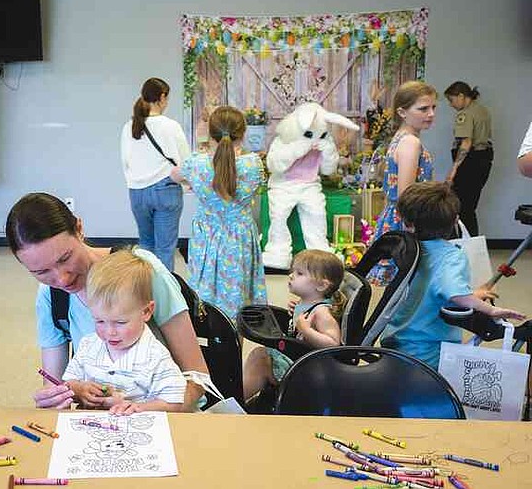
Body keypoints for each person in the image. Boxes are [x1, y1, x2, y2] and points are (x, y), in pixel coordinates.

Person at [5, 192, 209, 411]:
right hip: (102, 424)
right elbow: (56, 383)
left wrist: (142, 409)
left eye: (65, 258)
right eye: (41, 271)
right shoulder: (51, 296)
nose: (62, 279)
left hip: (163, 418)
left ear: (79, 229)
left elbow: (198, 379)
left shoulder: (140, 271)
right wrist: (61, 396)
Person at [380, 182, 525, 369]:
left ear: (407, 223)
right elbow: (456, 295)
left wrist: (471, 294)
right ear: (455, 220)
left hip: (396, 342)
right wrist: (490, 310)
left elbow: (428, 287)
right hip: (429, 351)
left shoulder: (406, 248)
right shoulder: (451, 256)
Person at [170, 106, 267, 321]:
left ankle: (209, 344)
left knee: (206, 297)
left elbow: (174, 174)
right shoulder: (253, 165)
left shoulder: (196, 165)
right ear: (242, 135)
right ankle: (237, 346)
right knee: (239, 297)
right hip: (240, 238)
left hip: (207, 239)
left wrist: (195, 182)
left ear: (209, 134)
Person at [62, 249, 187, 415]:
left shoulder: (155, 356)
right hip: (92, 426)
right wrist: (79, 389)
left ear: (146, 312)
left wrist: (139, 408)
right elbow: (68, 382)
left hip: (138, 430)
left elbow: (174, 402)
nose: (109, 332)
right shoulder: (88, 345)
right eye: (99, 321)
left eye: (120, 322)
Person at [242, 249, 345, 400]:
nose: (291, 275)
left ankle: (237, 402)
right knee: (260, 353)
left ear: (322, 286)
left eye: (300, 273)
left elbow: (333, 344)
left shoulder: (322, 312)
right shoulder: (307, 304)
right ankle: (238, 396)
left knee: (261, 361)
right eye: (293, 271)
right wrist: (297, 310)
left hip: (308, 368)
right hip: (298, 359)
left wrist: (307, 330)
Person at [368, 81, 437, 286]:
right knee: (409, 283)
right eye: (423, 109)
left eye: (434, 108)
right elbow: (406, 193)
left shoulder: (402, 137)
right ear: (402, 112)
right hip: (408, 218)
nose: (431, 114)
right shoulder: (410, 142)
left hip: (399, 215)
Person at [121, 77, 190, 271]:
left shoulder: (129, 126)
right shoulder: (170, 126)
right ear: (161, 97)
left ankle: (147, 291)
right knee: (165, 248)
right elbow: (186, 163)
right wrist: (187, 185)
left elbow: (125, 162)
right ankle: (163, 296)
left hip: (137, 192)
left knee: (146, 245)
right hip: (166, 190)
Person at [443, 81, 493, 236]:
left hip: (470, 162)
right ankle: (471, 245)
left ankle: (465, 245)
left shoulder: (465, 114)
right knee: (469, 207)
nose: (451, 105)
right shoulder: (482, 110)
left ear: (461, 96)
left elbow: (466, 143)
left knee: (461, 208)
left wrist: (453, 170)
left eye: (452, 100)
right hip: (484, 158)